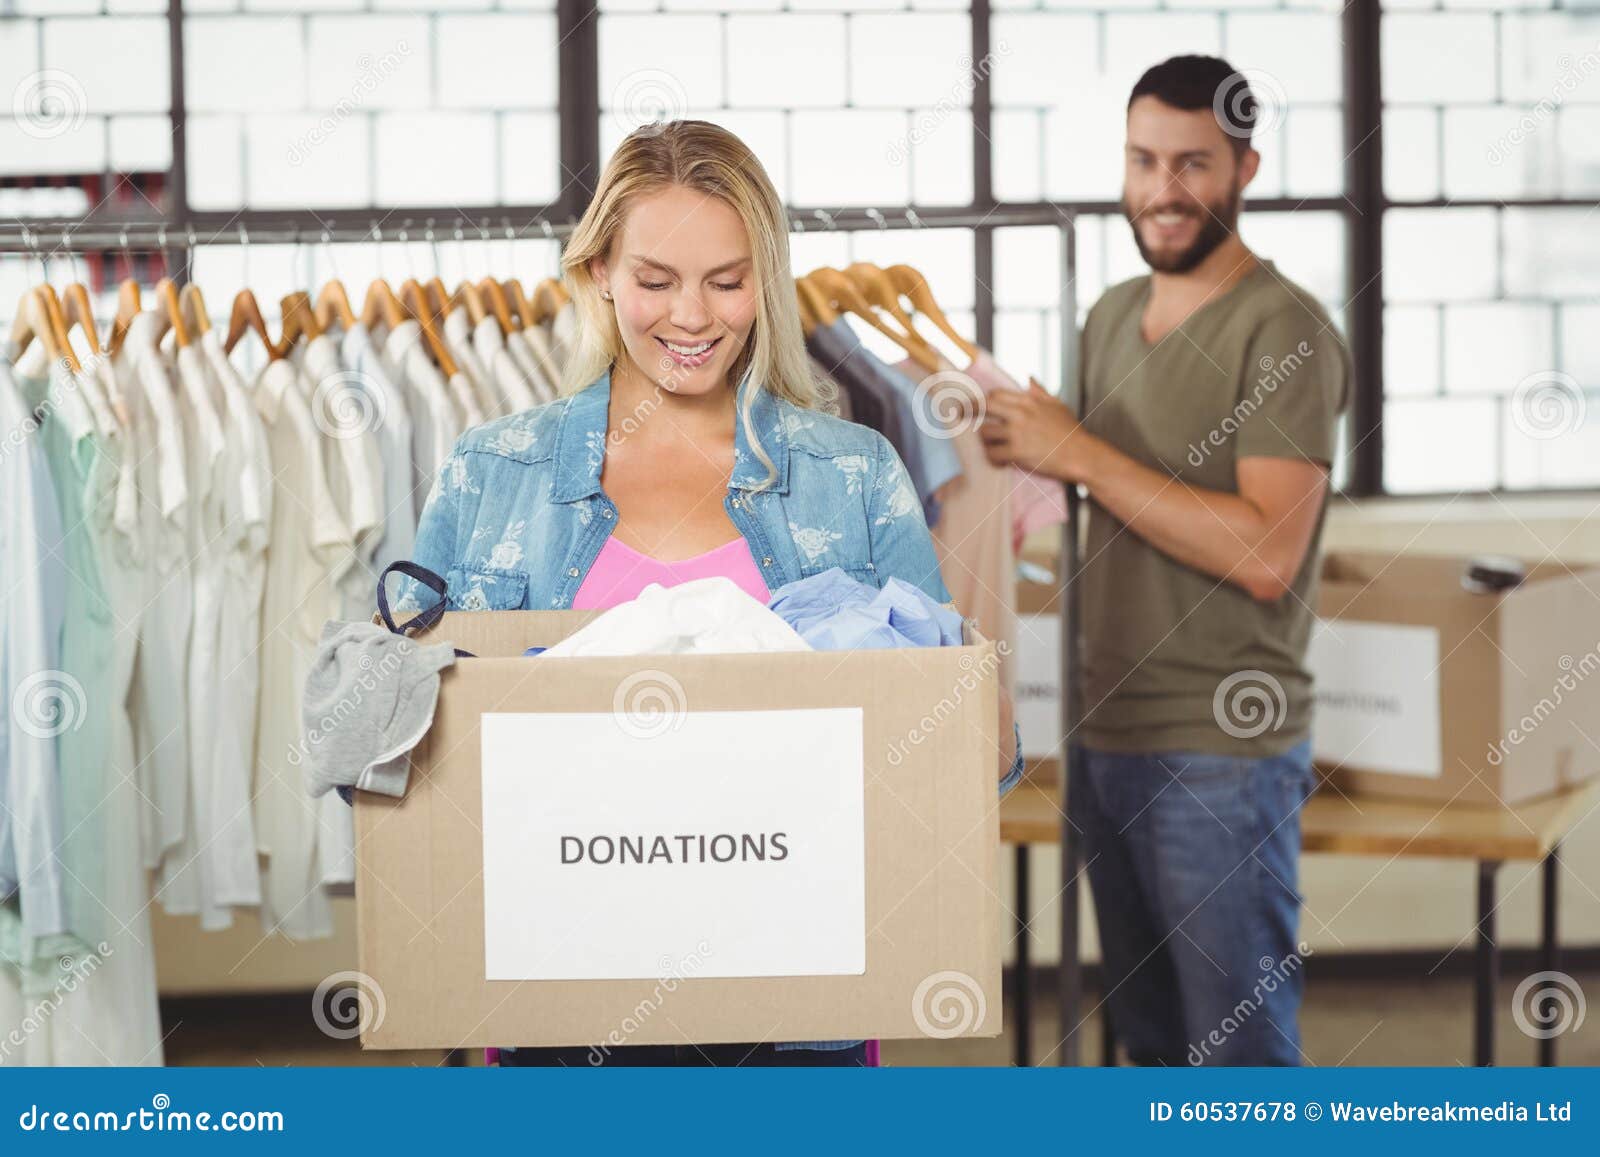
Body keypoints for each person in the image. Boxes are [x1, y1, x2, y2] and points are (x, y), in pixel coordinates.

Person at [396, 119, 1024, 1066]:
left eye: (727, 282)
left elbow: (966, 750)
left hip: (799, 1019)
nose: (692, 317)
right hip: (556, 1016)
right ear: (601, 270)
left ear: (764, 281)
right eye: (656, 280)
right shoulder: (494, 472)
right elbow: (407, 752)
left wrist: (973, 707)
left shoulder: (852, 474)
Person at [979, 56, 1351, 1065]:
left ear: (1243, 169)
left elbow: (1267, 551)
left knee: (1237, 1053)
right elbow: (1083, 493)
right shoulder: (1107, 315)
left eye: (1192, 164)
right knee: (1143, 1045)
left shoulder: (1285, 330)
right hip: (1106, 736)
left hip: (1221, 750)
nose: (1161, 189)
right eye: (1143, 160)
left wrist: (1079, 450)